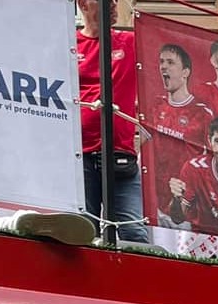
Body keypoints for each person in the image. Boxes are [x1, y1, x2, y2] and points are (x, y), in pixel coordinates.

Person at [77, 0, 147, 244]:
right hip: (79, 156)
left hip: (121, 154)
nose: (114, 3)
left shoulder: (130, 42)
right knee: (85, 233)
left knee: (134, 233)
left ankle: (141, 282)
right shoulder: (68, 46)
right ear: (83, 4)